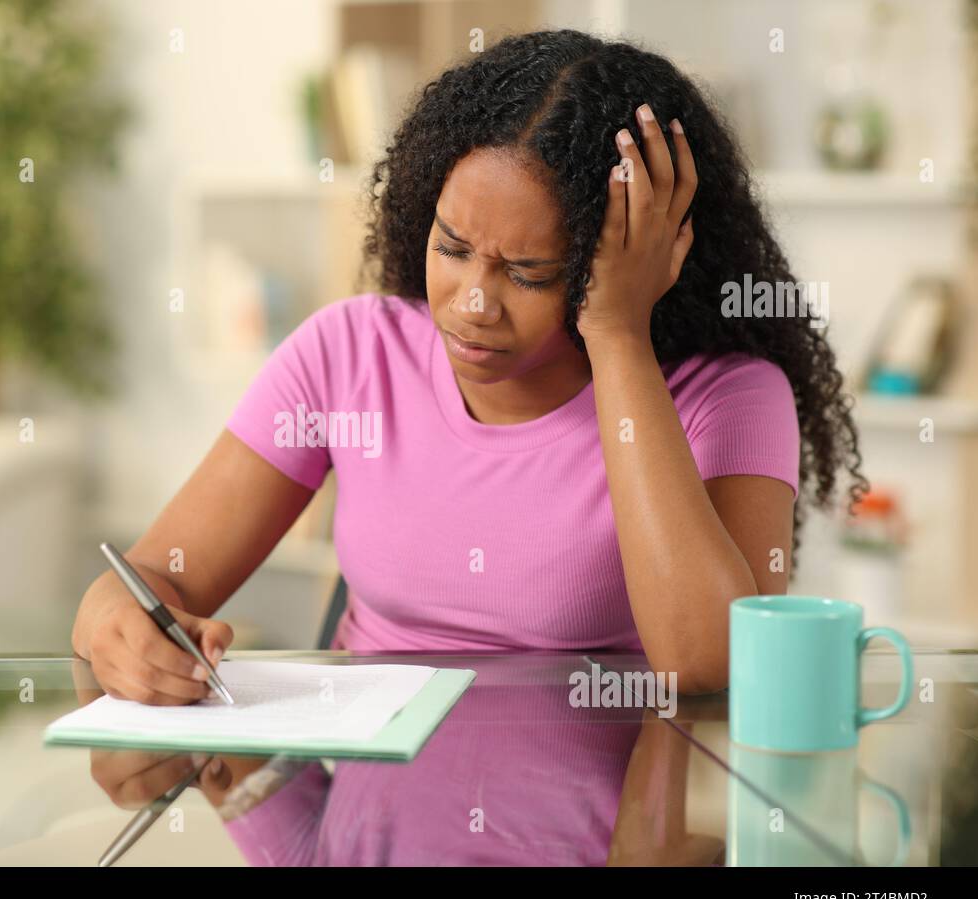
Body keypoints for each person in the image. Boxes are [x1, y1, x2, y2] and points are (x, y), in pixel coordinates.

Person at [71, 28, 865, 702]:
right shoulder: (348, 352)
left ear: (634, 257)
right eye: (452, 248)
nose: (474, 304)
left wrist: (618, 334)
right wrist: (115, 626)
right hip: (370, 801)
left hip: (600, 812)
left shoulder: (729, 398)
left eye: (528, 273)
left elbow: (710, 667)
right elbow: (154, 576)